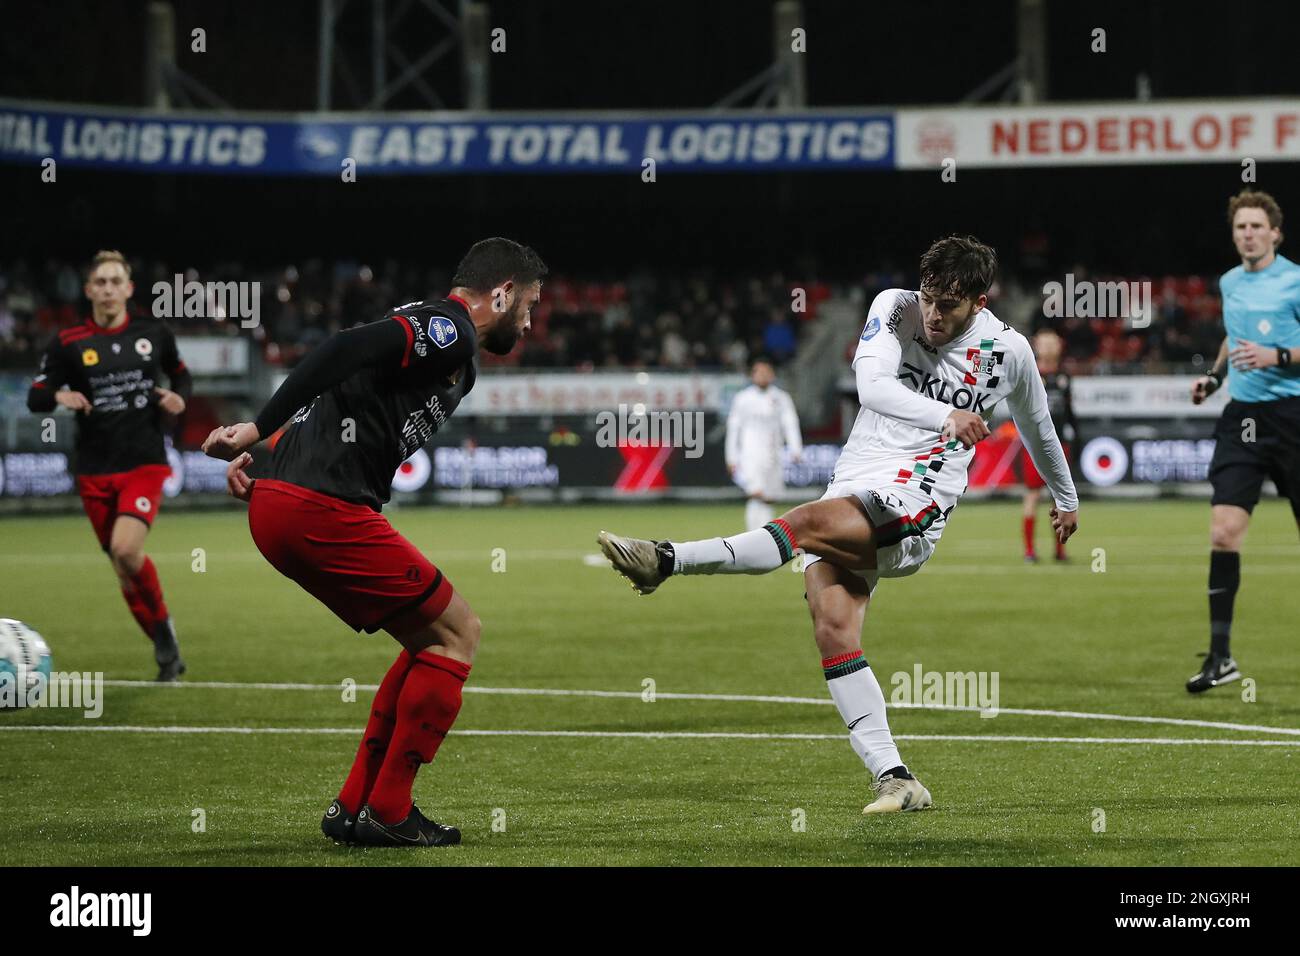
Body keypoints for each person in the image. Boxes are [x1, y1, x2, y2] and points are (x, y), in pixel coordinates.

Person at [599, 236, 1078, 814]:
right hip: (854, 482)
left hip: (913, 504)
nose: (930, 314)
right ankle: (897, 779)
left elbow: (1038, 426)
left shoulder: (1009, 351)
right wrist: (946, 413)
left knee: (798, 525)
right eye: (928, 298)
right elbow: (873, 387)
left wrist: (1066, 496)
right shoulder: (893, 308)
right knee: (833, 628)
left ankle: (665, 560)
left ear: (979, 302)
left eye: (947, 305)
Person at [202, 238, 546, 847]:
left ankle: (357, 805)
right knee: (458, 633)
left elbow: (346, 397)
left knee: (427, 642)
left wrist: (272, 455)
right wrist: (259, 427)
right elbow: (344, 348)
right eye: (529, 304)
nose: (530, 319)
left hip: (287, 500)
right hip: (319, 507)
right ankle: (388, 808)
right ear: (502, 292)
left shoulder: (450, 344)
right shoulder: (450, 327)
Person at [26, 250, 191, 681]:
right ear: (88, 290)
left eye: (116, 281)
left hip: (144, 462)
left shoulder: (153, 333)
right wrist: (58, 396)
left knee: (125, 549)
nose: (108, 289)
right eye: (100, 282)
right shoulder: (68, 342)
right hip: (94, 469)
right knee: (123, 568)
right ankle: (163, 640)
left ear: (128, 289)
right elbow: (35, 396)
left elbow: (181, 375)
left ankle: (164, 635)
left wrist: (179, 397)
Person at [1187, 189, 1300, 693]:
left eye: (1256, 226)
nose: (1248, 234)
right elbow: (1233, 339)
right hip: (1243, 420)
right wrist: (1214, 378)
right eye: (1240, 228)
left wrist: (1277, 356)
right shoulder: (1230, 281)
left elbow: (1269, 349)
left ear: (1275, 232)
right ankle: (1220, 656)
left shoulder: (1294, 280)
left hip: (1293, 416)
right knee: (1223, 532)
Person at [1018, 329, 1078, 562]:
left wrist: (1076, 436)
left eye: (1054, 342)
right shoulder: (1030, 373)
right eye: (1045, 342)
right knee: (1032, 495)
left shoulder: (1064, 377)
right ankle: (1029, 551)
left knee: (1059, 498)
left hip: (1060, 442)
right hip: (1034, 443)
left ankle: (1060, 550)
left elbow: (1070, 411)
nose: (1050, 346)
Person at [725, 358, 803, 530]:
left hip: (773, 452)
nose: (762, 376)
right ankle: (755, 534)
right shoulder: (743, 398)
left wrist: (795, 448)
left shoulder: (781, 398)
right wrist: (731, 457)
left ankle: (762, 535)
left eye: (766, 372)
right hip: (750, 453)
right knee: (756, 493)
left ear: (772, 375)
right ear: (752, 376)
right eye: (758, 373)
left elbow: (790, 423)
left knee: (768, 497)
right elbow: (734, 429)